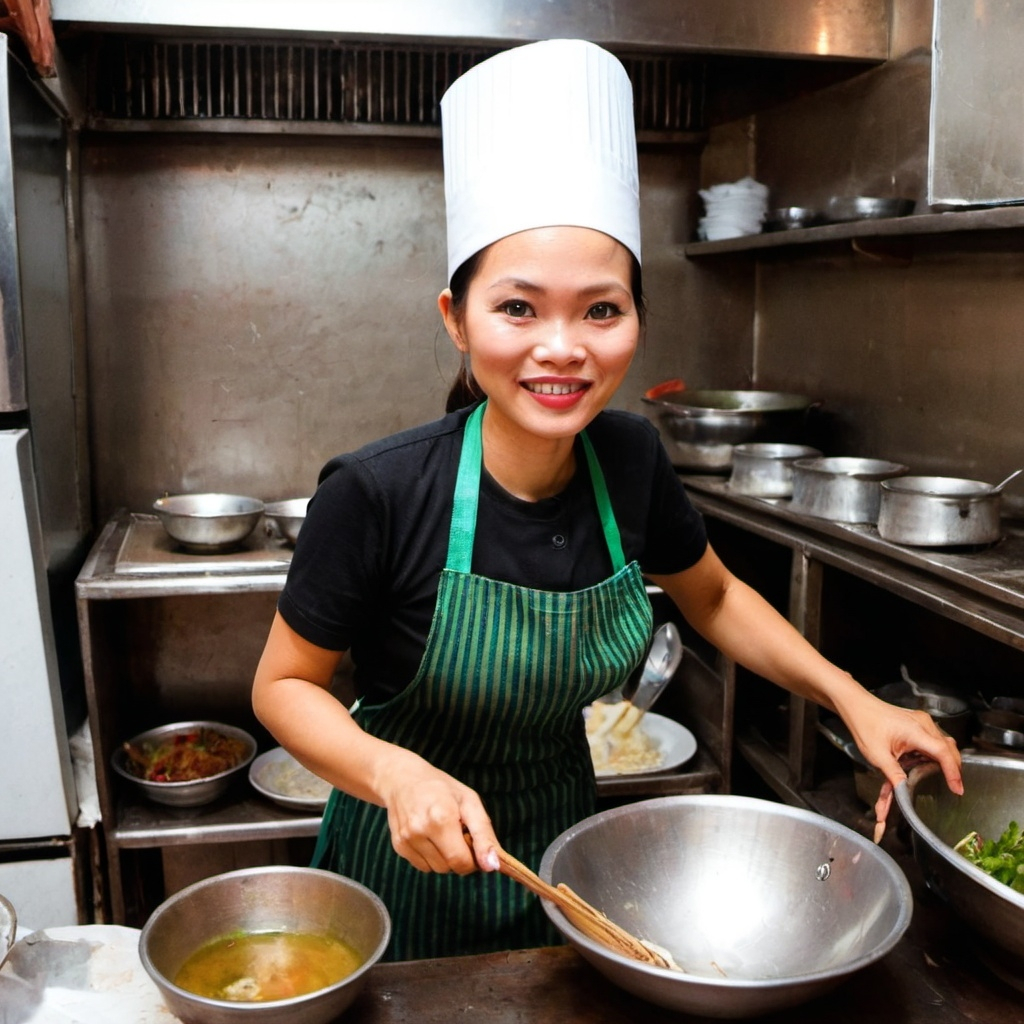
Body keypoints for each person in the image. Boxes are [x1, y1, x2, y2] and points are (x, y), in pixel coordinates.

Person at [252, 39, 962, 962]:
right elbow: (282, 687)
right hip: (404, 863)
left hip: (565, 854)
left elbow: (713, 596)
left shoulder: (629, 458)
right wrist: (394, 776)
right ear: (455, 319)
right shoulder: (378, 491)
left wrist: (851, 697)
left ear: (635, 319)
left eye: (600, 309)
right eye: (517, 308)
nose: (562, 348)